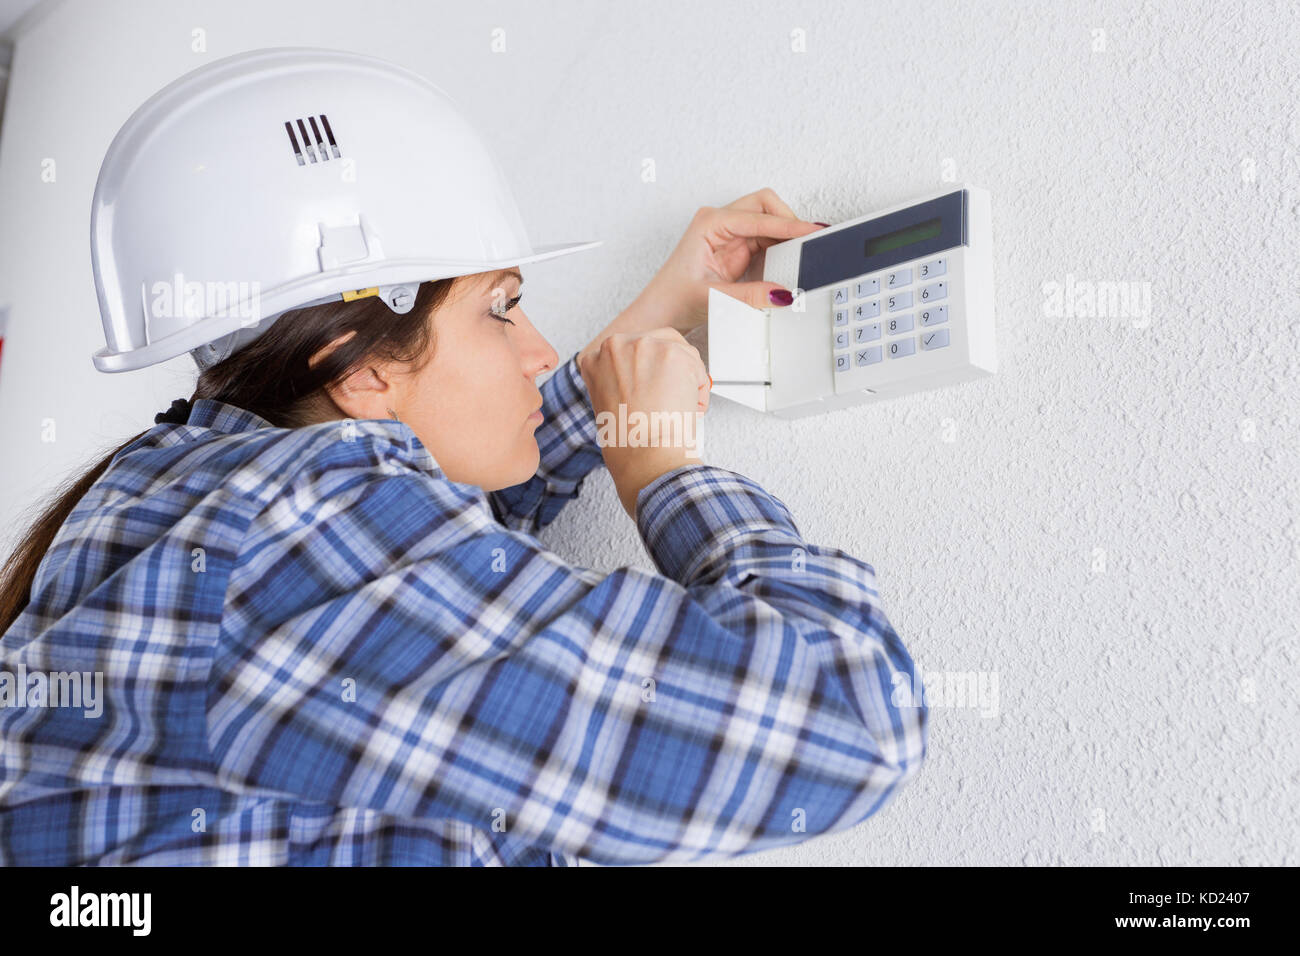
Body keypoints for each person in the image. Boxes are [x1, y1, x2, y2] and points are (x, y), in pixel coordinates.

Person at [0, 47, 927, 866]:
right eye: (501, 307)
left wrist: (652, 330)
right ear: (355, 370)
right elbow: (849, 721)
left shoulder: (177, 490)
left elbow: (448, 559)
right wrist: (661, 465)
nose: (537, 350)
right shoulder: (299, 528)